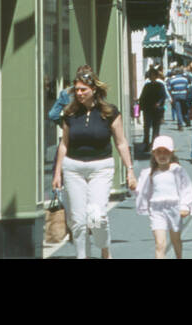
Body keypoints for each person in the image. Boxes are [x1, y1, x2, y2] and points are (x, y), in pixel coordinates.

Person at [52, 70, 137, 259]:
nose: (79, 93)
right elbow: (64, 144)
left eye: (83, 89)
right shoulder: (70, 113)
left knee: (97, 217)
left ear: (94, 89)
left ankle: (104, 249)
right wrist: (58, 173)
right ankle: (83, 256)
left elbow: (121, 142)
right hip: (73, 168)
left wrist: (130, 170)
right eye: (77, 90)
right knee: (78, 221)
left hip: (101, 168)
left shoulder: (109, 112)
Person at [135, 135, 192, 258]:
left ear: (171, 153)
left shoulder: (177, 170)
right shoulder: (149, 173)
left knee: (175, 239)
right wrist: (134, 187)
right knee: (160, 244)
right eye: (159, 152)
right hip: (157, 209)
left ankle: (179, 256)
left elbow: (186, 188)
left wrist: (185, 205)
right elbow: (142, 190)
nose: (162, 155)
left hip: (174, 207)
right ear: (154, 154)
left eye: (166, 152)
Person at [138, 66, 169, 151]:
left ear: (156, 76)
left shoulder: (160, 85)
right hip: (148, 109)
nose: (152, 77)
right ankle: (146, 143)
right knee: (147, 127)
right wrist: (140, 107)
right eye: (151, 75)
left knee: (156, 127)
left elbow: (163, 96)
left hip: (156, 109)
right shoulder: (147, 86)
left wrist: (159, 103)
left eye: (153, 75)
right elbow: (143, 97)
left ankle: (154, 143)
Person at [165, 66, 191, 130]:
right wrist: (186, 94)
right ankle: (187, 120)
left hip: (175, 96)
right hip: (184, 95)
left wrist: (171, 97)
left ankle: (180, 124)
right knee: (184, 109)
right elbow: (188, 88)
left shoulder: (172, 80)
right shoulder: (185, 79)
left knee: (178, 110)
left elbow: (169, 89)